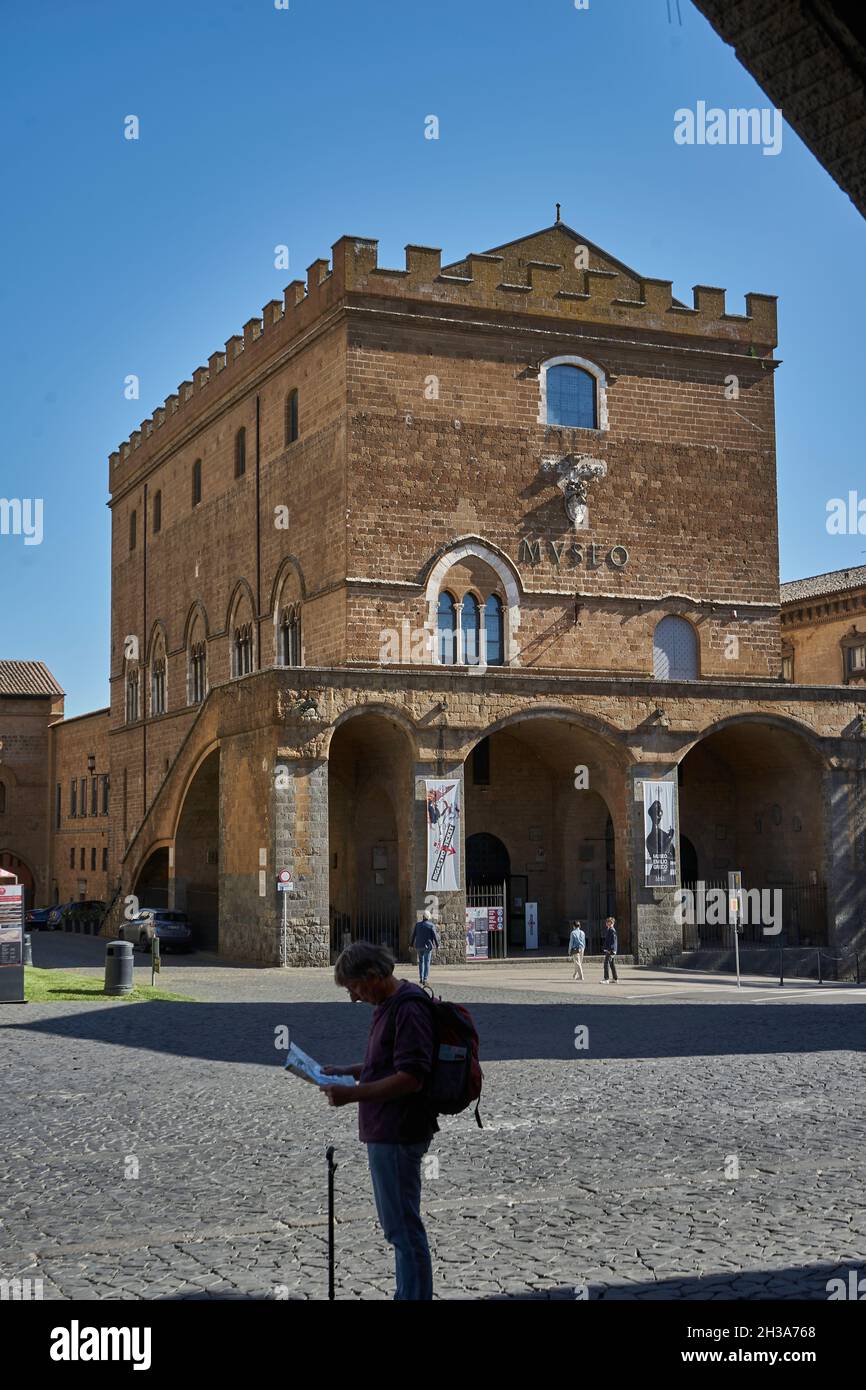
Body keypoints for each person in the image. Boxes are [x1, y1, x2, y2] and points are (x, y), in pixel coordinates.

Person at [321, 941, 437, 1300]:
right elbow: (387, 1063)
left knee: (403, 1229)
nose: (354, 998)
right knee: (398, 1228)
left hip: (399, 1130)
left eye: (354, 987)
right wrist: (349, 1072)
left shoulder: (409, 1008)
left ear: (372, 976)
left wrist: (352, 1094)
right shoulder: (389, 1005)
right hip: (387, 1129)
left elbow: (410, 1077)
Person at [410, 910, 440, 984]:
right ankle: (425, 979)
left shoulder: (417, 925)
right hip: (428, 946)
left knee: (421, 962)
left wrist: (411, 945)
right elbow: (434, 936)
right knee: (427, 962)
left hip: (419, 946)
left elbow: (413, 935)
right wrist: (437, 945)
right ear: (428, 917)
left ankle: (420, 978)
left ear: (423, 917)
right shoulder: (431, 925)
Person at [601, 916, 618, 982]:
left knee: (606, 963)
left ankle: (606, 978)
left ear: (611, 923)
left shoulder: (612, 930)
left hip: (610, 950)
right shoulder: (610, 930)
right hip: (611, 950)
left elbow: (613, 941)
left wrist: (610, 949)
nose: (606, 923)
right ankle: (615, 978)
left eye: (608, 922)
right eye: (607, 922)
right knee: (612, 964)